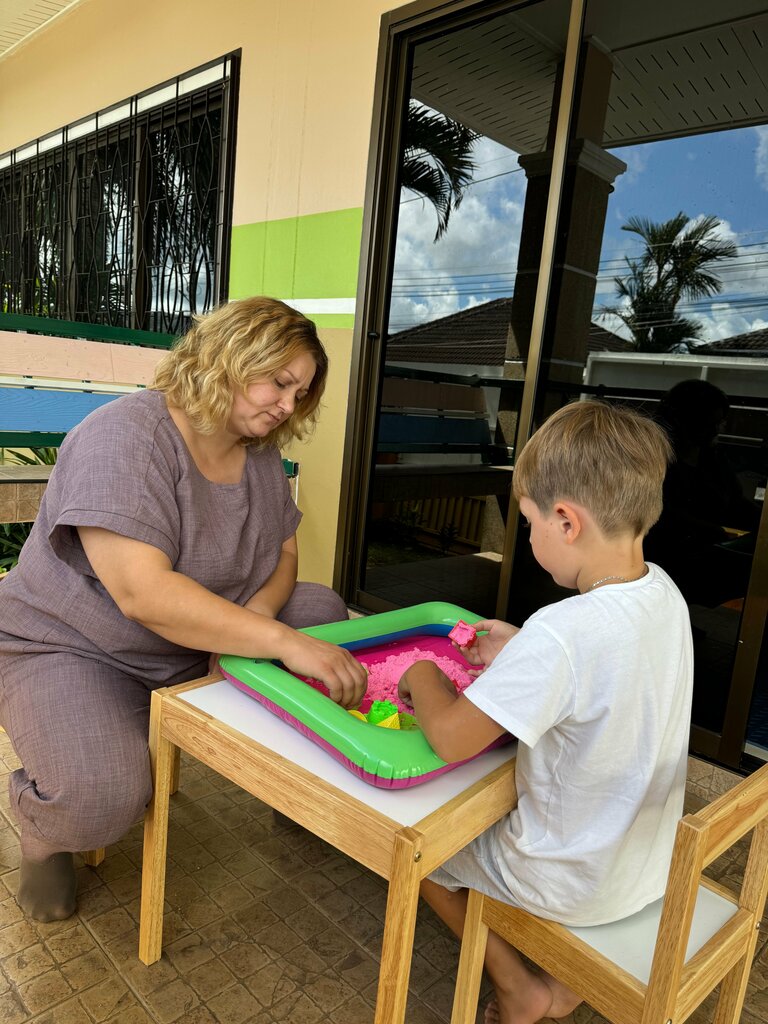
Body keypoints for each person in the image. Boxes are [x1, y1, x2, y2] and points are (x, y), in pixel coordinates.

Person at [0, 296, 367, 923]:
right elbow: (142, 593)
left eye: (299, 393)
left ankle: (293, 781)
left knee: (320, 611)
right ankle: (46, 834)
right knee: (103, 797)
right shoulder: (126, 436)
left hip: (196, 635)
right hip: (73, 642)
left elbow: (283, 554)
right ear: (229, 355)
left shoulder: (260, 453)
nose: (287, 404)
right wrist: (274, 642)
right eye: (279, 381)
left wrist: (255, 623)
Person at [397, 400, 693, 1024]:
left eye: (526, 521)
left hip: (570, 878)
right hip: (643, 862)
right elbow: (604, 669)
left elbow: (452, 739)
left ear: (565, 521)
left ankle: (520, 988)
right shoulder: (664, 593)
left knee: (416, 853)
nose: (526, 536)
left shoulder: (561, 632)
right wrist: (522, 647)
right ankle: (569, 980)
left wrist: (419, 675)